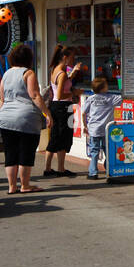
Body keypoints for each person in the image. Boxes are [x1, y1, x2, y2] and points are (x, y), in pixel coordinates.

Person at [0, 43, 51, 194]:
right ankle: (25, 185)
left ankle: (12, 187)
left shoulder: (6, 74)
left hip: (6, 117)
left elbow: (2, 98)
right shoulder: (28, 73)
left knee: (10, 153)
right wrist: (47, 114)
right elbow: (35, 95)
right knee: (26, 151)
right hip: (26, 117)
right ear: (29, 58)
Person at [42, 46, 82, 177]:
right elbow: (60, 95)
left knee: (55, 137)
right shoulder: (63, 73)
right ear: (65, 58)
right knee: (62, 137)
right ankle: (59, 168)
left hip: (55, 107)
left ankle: (52, 168)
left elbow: (61, 85)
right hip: (63, 107)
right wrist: (73, 93)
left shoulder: (55, 70)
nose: (73, 60)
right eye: (72, 58)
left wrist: (74, 72)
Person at [81, 76, 123, 180]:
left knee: (94, 151)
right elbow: (124, 96)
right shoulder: (111, 98)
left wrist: (85, 126)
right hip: (106, 129)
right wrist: (122, 83)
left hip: (94, 129)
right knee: (107, 150)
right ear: (103, 88)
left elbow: (83, 113)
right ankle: (110, 169)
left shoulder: (90, 99)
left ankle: (93, 173)